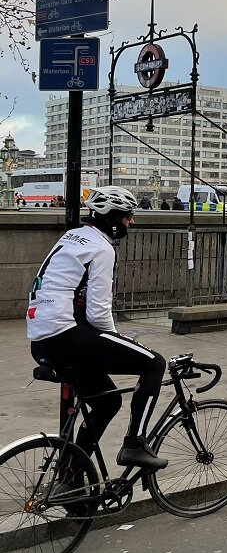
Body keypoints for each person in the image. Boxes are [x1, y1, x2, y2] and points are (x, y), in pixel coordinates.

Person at [27, 186, 169, 472]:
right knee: (154, 363)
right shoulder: (102, 248)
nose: (131, 222)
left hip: (42, 339)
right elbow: (99, 311)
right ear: (113, 217)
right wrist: (117, 340)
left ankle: (70, 474)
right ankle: (134, 445)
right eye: (128, 217)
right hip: (66, 334)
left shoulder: (72, 237)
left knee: (108, 402)